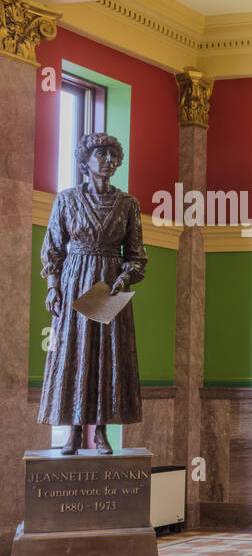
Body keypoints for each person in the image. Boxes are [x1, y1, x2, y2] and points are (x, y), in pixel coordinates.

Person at [38, 132, 146, 455]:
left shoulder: (128, 205)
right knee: (73, 353)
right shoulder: (66, 200)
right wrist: (52, 287)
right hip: (75, 284)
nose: (109, 161)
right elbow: (53, 249)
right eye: (101, 155)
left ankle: (101, 431)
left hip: (111, 288)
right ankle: (72, 430)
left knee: (107, 355)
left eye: (113, 155)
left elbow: (137, 255)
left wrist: (125, 279)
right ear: (85, 162)